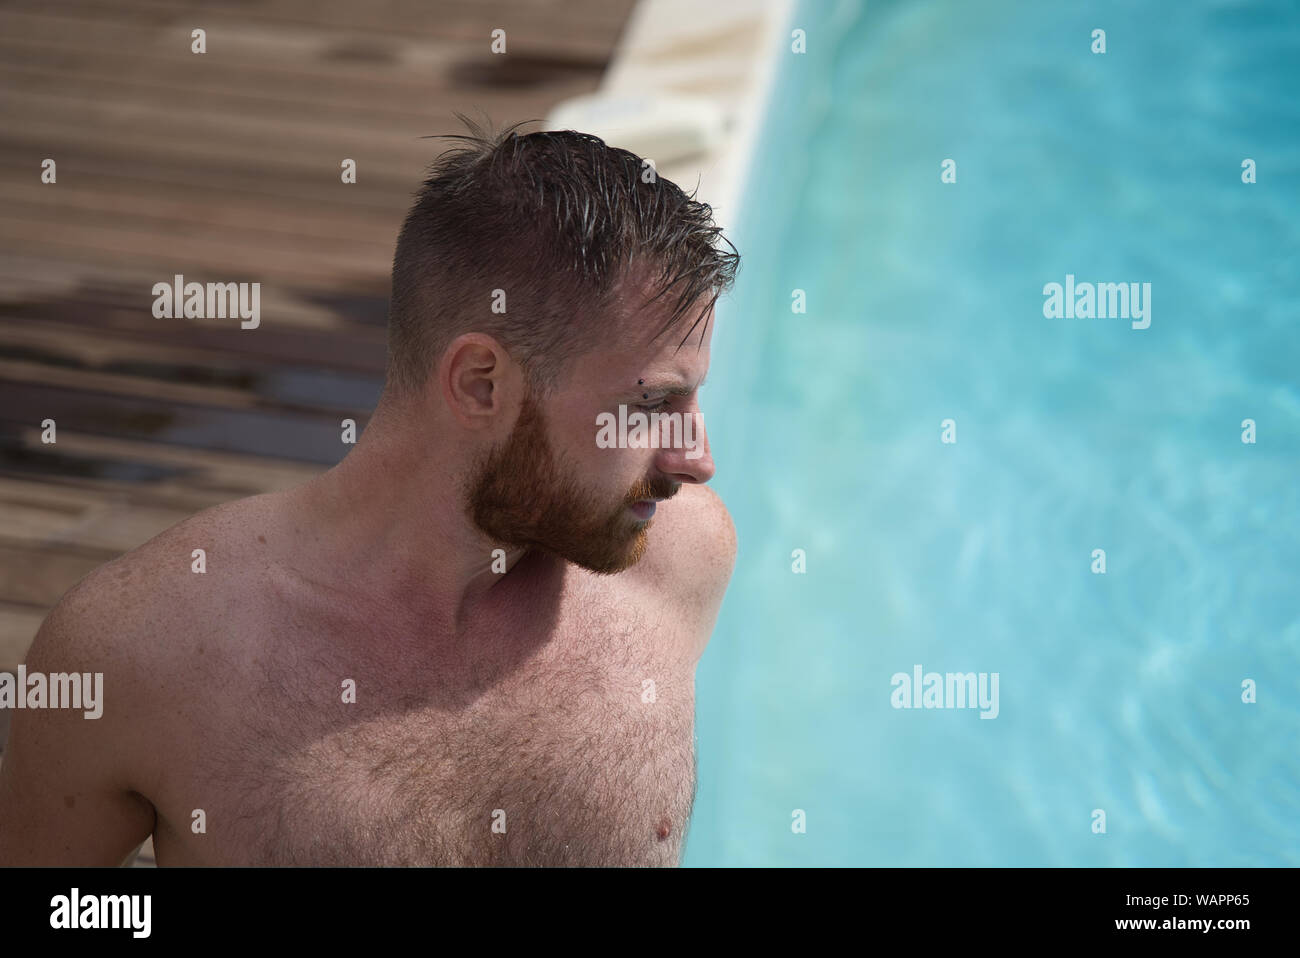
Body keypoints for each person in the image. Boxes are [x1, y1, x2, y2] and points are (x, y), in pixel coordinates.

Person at [0, 123, 740, 866]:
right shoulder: (142, 653)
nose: (698, 460)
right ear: (481, 383)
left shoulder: (678, 564)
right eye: (651, 406)